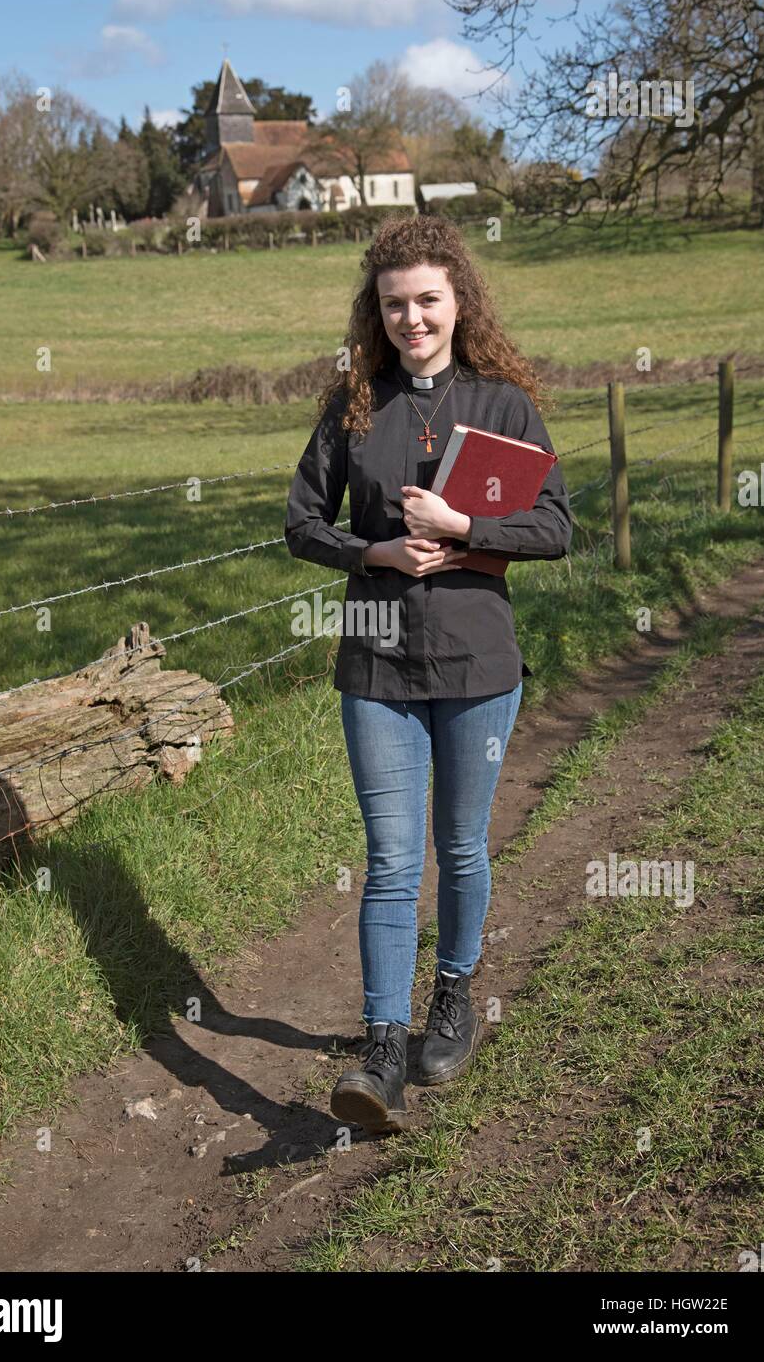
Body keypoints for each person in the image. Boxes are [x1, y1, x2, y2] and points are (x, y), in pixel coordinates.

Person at [284, 214, 571, 1133]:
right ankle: (379, 1046)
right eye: (394, 304)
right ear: (376, 312)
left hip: (478, 660)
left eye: (428, 301)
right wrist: (376, 551)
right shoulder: (352, 404)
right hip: (375, 659)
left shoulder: (503, 404)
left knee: (458, 847)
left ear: (458, 302)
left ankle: (452, 997)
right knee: (389, 860)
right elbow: (300, 523)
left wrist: (461, 530)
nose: (412, 318)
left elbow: (554, 528)